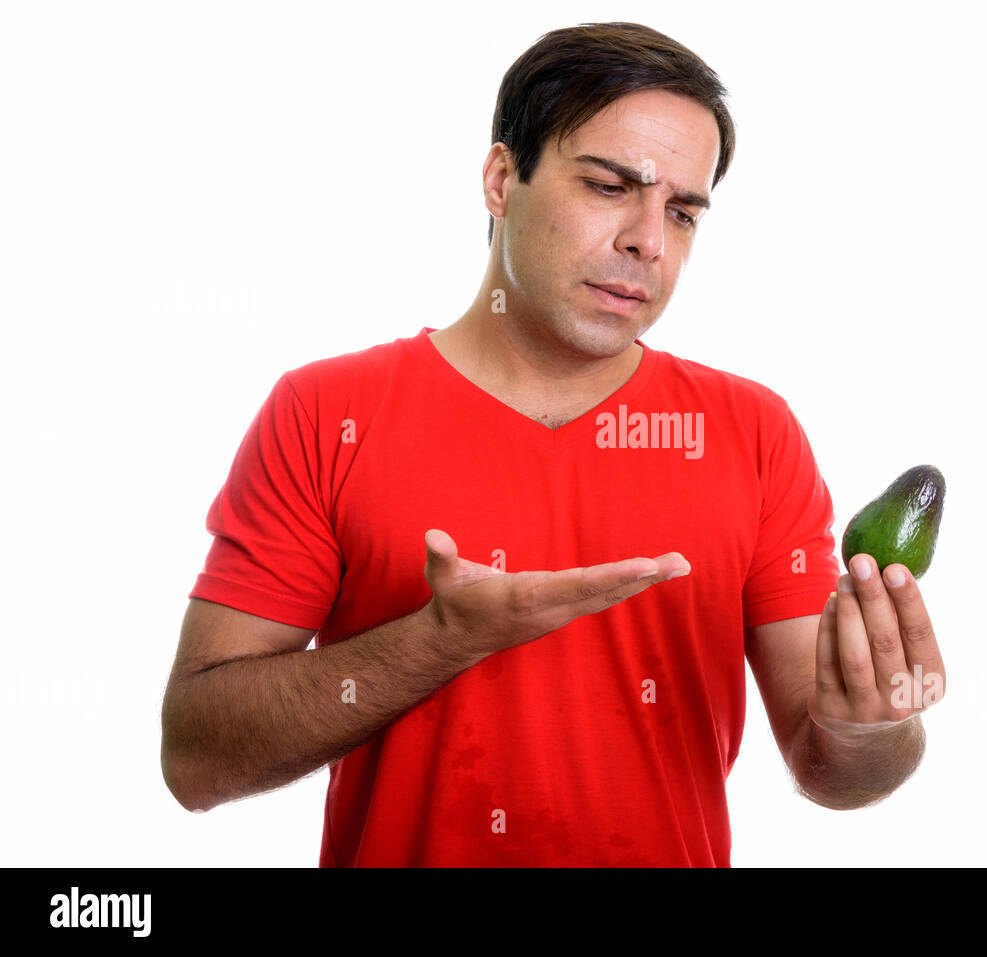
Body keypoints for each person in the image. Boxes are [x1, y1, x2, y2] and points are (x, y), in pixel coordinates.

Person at [160, 21, 943, 867]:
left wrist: (879, 721)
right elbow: (198, 759)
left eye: (683, 212)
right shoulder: (324, 411)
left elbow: (830, 762)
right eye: (610, 186)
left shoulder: (755, 432)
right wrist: (440, 640)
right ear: (501, 179)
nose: (650, 240)